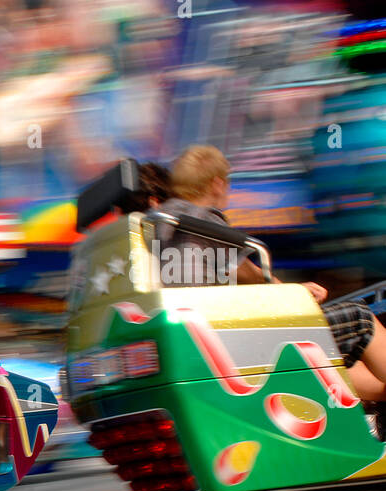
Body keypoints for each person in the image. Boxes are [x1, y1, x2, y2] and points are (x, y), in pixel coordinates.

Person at [156, 145, 386, 401]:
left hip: (191, 342)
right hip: (230, 344)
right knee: (360, 318)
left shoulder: (157, 222)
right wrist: (296, 293)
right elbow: (251, 275)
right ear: (217, 184)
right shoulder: (200, 221)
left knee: (325, 350)